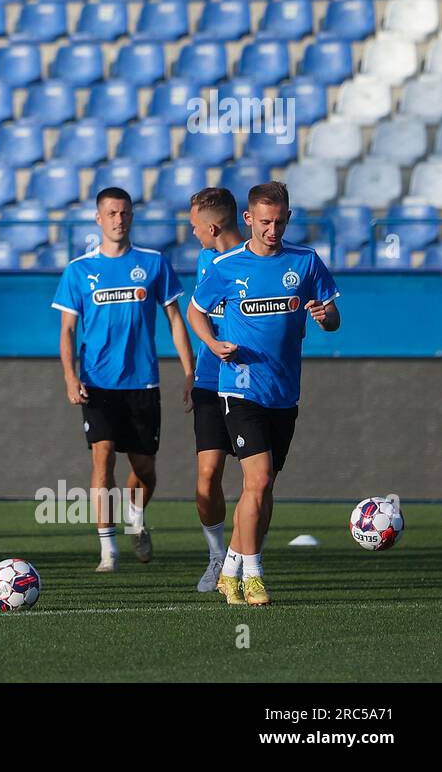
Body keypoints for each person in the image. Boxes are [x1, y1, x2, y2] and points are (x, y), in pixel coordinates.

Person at [188, 181, 340, 607]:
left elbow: (333, 320)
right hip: (239, 389)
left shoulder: (306, 262)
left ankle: (232, 566)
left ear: (288, 219)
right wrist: (214, 344)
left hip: (284, 393)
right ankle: (253, 576)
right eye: (265, 221)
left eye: (279, 221)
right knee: (258, 478)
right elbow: (196, 311)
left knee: (263, 490)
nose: (272, 229)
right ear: (249, 220)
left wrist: (325, 316)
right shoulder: (226, 265)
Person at [51, 187, 195, 573]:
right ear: (99, 219)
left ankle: (135, 515)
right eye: (111, 213)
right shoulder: (79, 271)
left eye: (125, 213)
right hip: (97, 384)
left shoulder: (153, 263)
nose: (119, 219)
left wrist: (190, 371)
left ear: (132, 217)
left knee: (145, 470)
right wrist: (69, 376)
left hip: (143, 383)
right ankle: (107, 551)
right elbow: (67, 331)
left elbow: (176, 320)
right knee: (102, 461)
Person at [187, 186, 245, 592]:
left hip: (249, 384)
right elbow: (199, 315)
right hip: (209, 381)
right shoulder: (206, 260)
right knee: (208, 477)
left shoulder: (257, 260)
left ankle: (245, 562)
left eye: (194, 227)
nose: (192, 233)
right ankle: (217, 557)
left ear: (212, 226)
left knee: (256, 481)